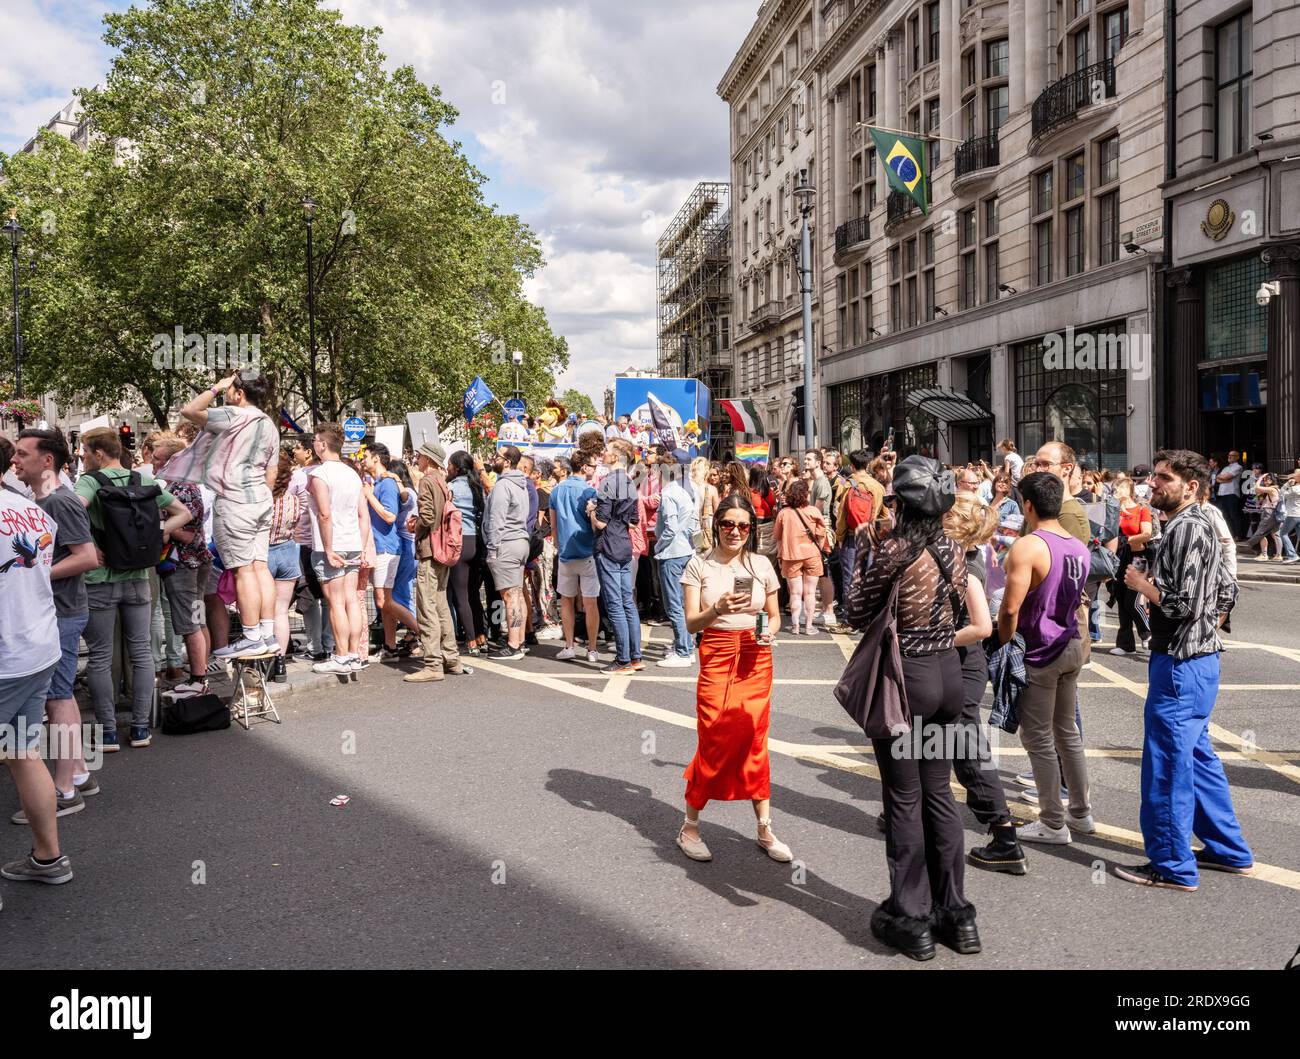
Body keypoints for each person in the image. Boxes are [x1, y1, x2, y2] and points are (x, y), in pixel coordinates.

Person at [843, 456, 976, 961]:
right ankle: (957, 915)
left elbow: (856, 613)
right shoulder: (953, 547)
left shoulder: (895, 550)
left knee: (903, 797)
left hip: (908, 680)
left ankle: (912, 917)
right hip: (949, 677)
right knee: (939, 793)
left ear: (900, 503)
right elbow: (962, 610)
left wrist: (864, 555)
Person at [1116, 450, 1252, 890]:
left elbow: (1181, 603)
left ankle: (1171, 866)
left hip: (1178, 662)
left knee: (1168, 763)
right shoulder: (1200, 523)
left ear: (1190, 487)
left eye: (1163, 478)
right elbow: (1226, 589)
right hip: (1200, 661)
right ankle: (1227, 849)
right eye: (1154, 476)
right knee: (1197, 756)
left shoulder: (1187, 528)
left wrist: (1141, 585)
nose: (1153, 484)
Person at [677, 494, 788, 865]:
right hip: (718, 654)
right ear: (717, 526)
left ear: (751, 529)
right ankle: (689, 826)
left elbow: (774, 617)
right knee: (714, 738)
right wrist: (717, 609)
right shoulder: (698, 566)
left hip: (756, 657)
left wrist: (769, 632)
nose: (736, 532)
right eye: (728, 524)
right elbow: (691, 623)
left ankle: (764, 827)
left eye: (743, 525)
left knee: (754, 738)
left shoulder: (761, 565)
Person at [76, 427, 193, 751]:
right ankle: (141, 728)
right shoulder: (143, 481)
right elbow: (184, 513)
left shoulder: (90, 481)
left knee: (99, 657)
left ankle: (109, 731)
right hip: (139, 577)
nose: (84, 459)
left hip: (100, 580)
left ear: (99, 454)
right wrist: (157, 534)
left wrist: (85, 546)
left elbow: (74, 509)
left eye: (86, 453)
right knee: (141, 653)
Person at [998, 472, 1093, 846]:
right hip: (1070, 643)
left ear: (1027, 505)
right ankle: (1081, 813)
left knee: (1037, 737)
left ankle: (1053, 821)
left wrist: (1003, 643)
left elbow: (1009, 609)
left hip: (1041, 648)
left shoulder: (1028, 546)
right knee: (1066, 732)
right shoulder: (1078, 545)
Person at [10, 429, 99, 819]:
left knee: (58, 697)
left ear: (47, 461)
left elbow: (87, 557)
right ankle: (79, 774)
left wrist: (37, 575)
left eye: (22, 455)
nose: (15, 461)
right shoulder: (42, 499)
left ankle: (64, 790)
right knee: (59, 696)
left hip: (62, 613)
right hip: (60, 611)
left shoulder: (60, 502)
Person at [943, 494, 1026, 875]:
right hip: (962, 663)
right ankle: (913, 810)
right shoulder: (969, 554)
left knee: (968, 752)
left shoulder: (967, 565)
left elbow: (981, 625)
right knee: (932, 738)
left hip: (963, 663)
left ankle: (1005, 837)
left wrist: (931, 639)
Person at [0, 477, 75, 887]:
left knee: (21, 752)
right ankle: (48, 858)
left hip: (8, 654)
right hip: (36, 648)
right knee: (22, 752)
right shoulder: (31, 510)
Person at [177, 373, 280, 659]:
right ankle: (267, 633)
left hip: (235, 500)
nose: (226, 393)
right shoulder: (269, 423)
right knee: (260, 568)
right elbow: (271, 471)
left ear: (239, 393)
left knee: (243, 570)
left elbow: (189, 411)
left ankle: (250, 635)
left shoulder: (233, 415)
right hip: (260, 499)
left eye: (229, 389)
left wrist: (214, 387)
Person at [151, 432, 215, 695]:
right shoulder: (182, 486)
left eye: (156, 458)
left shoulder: (181, 489)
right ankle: (200, 674)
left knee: (191, 624)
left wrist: (159, 525)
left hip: (186, 565)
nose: (151, 462)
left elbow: (188, 532)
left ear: (170, 462)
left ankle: (198, 679)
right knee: (197, 620)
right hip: (196, 562)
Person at [406, 440, 473, 683]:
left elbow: (427, 515)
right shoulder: (443, 482)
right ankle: (452, 658)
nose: (418, 459)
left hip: (430, 550)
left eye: (421, 456)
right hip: (444, 550)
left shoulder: (426, 480)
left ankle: (433, 663)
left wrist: (417, 527)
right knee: (441, 604)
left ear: (429, 459)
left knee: (427, 608)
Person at [305, 423, 370, 674]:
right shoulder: (353, 474)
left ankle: (342, 656)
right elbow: (363, 515)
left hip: (329, 544)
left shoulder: (320, 475)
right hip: (353, 542)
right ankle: (353, 654)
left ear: (322, 444)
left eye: (315, 440)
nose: (314, 444)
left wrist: (329, 548)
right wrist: (362, 547)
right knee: (351, 600)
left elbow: (324, 514)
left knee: (336, 603)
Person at [590, 439, 642, 674]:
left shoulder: (607, 483)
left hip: (609, 545)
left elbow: (600, 522)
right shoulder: (631, 482)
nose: (603, 454)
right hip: (624, 546)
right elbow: (633, 522)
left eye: (607, 451)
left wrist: (591, 511)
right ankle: (635, 656)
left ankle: (622, 660)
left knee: (615, 605)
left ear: (616, 457)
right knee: (627, 602)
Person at [551, 451, 602, 663]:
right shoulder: (589, 492)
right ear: (583, 467)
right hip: (587, 550)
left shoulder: (557, 490)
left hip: (565, 552)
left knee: (566, 601)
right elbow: (594, 523)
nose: (595, 469)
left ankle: (569, 645)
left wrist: (558, 544)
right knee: (591, 603)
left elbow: (554, 525)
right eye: (592, 465)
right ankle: (591, 649)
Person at [482, 445, 532, 661]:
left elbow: (496, 519)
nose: (494, 459)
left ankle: (513, 644)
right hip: (519, 541)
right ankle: (519, 640)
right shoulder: (521, 483)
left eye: (497, 456)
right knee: (517, 594)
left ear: (508, 462)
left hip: (506, 543)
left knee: (510, 596)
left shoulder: (503, 486)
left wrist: (492, 548)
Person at [288, 435, 332, 662]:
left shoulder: (299, 476)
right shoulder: (328, 473)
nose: (293, 451)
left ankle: (315, 646)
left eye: (297, 447)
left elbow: (289, 507)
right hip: (326, 541)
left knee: (307, 596)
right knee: (326, 594)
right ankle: (328, 643)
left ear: (308, 452)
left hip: (303, 542)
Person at [654, 458, 699, 667]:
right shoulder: (688, 490)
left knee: (673, 604)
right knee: (682, 602)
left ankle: (683, 650)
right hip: (686, 550)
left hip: (672, 553)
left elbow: (670, 528)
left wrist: (658, 546)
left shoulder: (669, 493)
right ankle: (686, 646)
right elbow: (693, 523)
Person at [772, 479, 828, 636]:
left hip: (790, 555)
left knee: (795, 593)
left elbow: (777, 537)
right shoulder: (814, 511)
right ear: (805, 495)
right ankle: (808, 627)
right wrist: (819, 549)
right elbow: (821, 534)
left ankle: (795, 625)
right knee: (810, 593)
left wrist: (779, 555)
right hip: (812, 554)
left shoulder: (783, 513)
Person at [447, 450, 488, 655]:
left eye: (449, 464)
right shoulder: (476, 486)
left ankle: (470, 641)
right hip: (476, 541)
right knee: (473, 594)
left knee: (460, 595)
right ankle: (482, 637)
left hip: (458, 540)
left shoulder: (451, 487)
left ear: (455, 467)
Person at [265, 443, 302, 672]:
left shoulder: (261, 499)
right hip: (287, 551)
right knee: (281, 611)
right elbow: (296, 524)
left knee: (263, 612)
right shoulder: (292, 499)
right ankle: (280, 660)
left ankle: (265, 657)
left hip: (265, 552)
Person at [1109, 476, 1154, 656]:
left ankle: (1148, 633)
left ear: (1129, 490)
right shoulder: (1113, 510)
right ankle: (1125, 643)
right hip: (1119, 556)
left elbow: (1147, 533)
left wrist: (1127, 540)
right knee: (1120, 597)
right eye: (1115, 487)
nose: (1116, 490)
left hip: (1137, 556)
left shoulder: (1141, 510)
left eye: (1120, 487)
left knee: (1133, 599)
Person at [1213, 449, 1244, 540]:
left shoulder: (1238, 467)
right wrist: (1225, 479)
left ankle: (1238, 535)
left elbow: (1227, 476)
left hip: (1232, 493)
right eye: (1229, 455)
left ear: (1237, 457)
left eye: (1232, 455)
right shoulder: (1225, 468)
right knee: (1225, 515)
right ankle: (1230, 534)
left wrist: (1224, 478)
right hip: (1222, 493)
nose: (1229, 457)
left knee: (1233, 514)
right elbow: (1217, 479)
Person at [689, 457, 718, 550]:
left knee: (695, 553)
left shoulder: (688, 488)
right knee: (707, 553)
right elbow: (717, 511)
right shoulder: (711, 489)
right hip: (707, 526)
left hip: (691, 525)